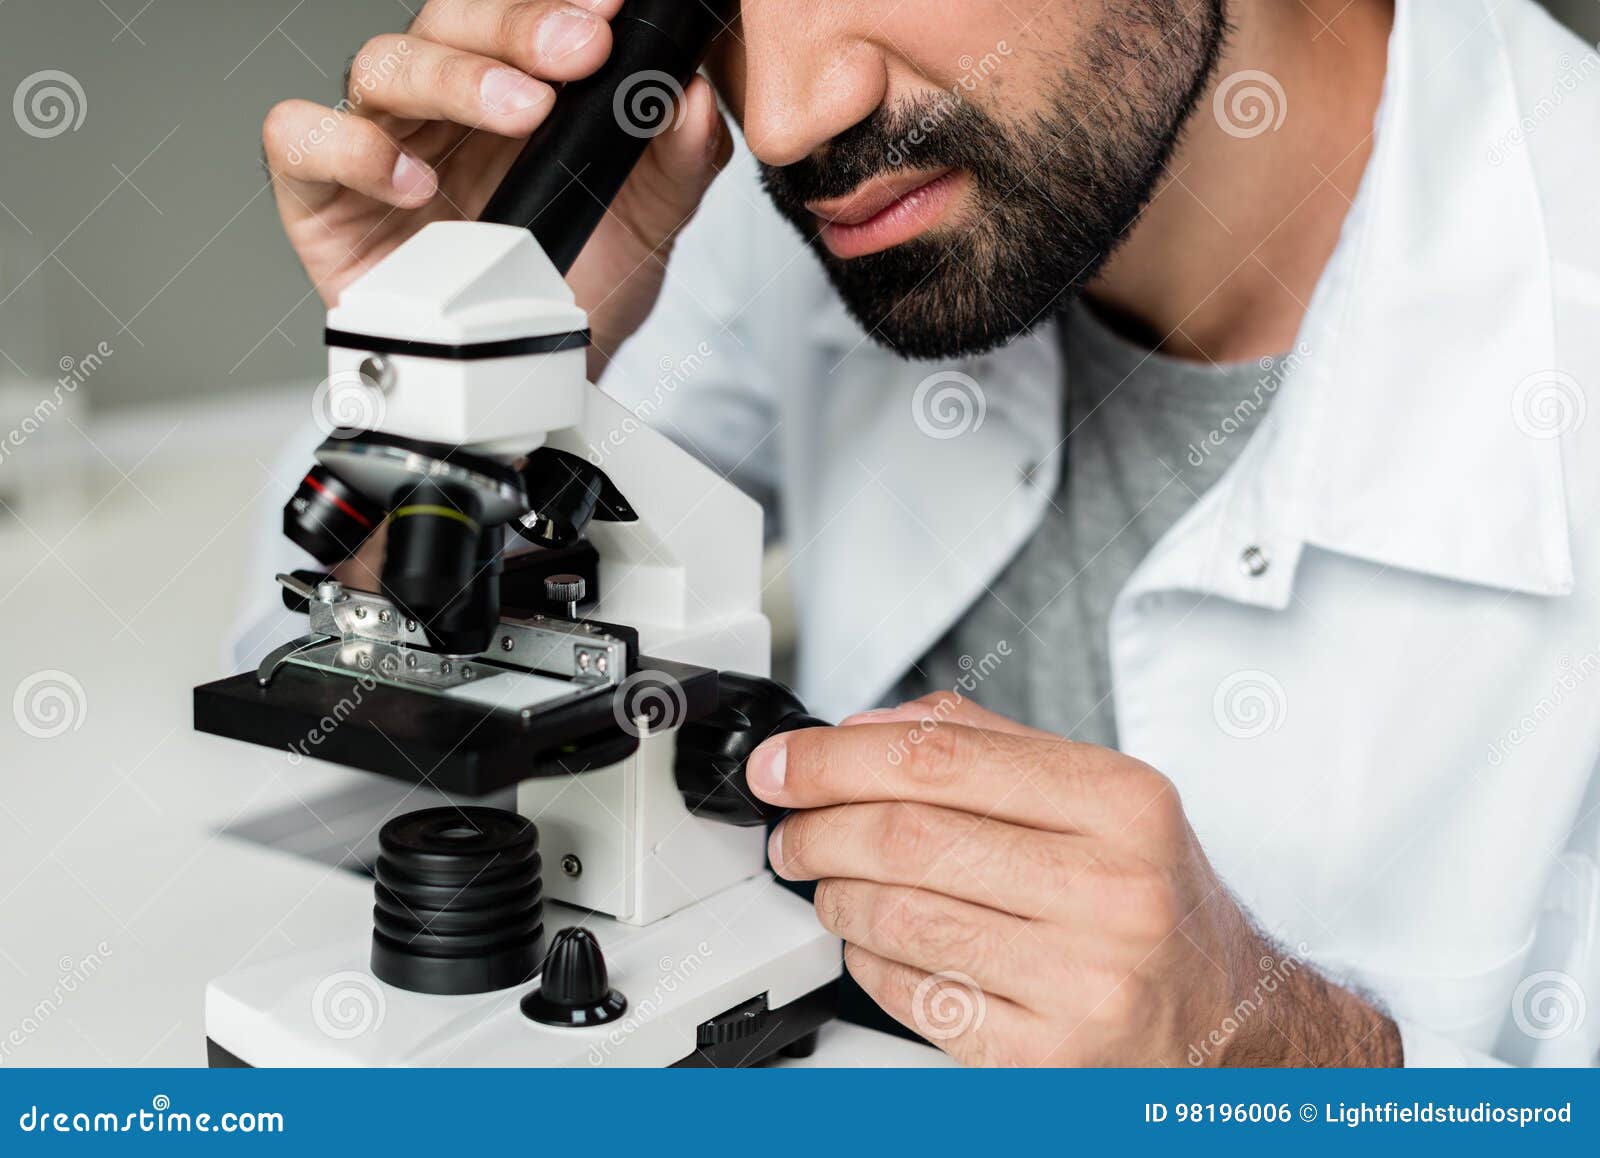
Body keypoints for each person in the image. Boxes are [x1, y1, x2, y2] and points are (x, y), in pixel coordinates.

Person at [257, 0, 1600, 1066]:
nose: (787, 115)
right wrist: (477, 352)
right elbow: (335, 706)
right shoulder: (802, 203)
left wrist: (1284, 1058)